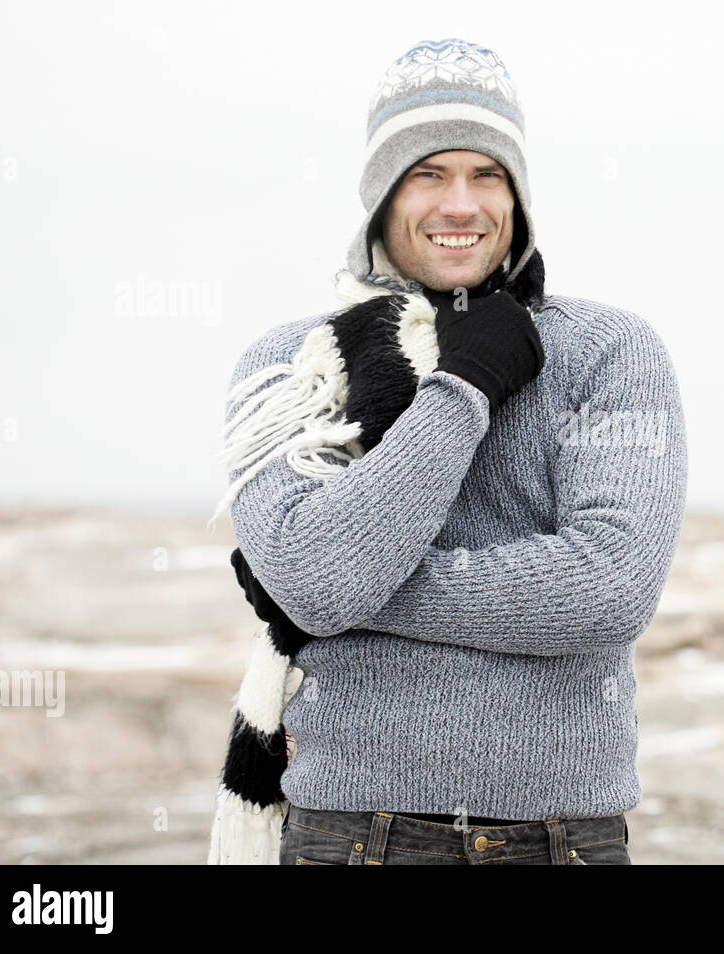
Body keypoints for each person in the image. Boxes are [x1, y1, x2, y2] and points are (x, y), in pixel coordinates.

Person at [218, 37, 688, 865]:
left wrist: (339, 593)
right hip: (348, 838)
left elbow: (610, 589)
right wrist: (465, 385)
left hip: (558, 842)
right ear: (382, 195)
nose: (461, 204)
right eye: (427, 174)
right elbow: (320, 582)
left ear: (518, 195)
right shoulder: (293, 368)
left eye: (487, 174)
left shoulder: (609, 351)